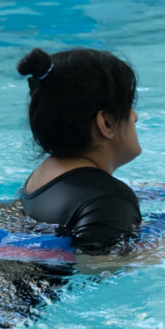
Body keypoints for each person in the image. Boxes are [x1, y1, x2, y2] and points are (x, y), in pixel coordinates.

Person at [16, 47, 143, 253]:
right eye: (129, 105)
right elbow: (99, 271)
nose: (135, 116)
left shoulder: (42, 176)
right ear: (107, 123)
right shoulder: (109, 199)